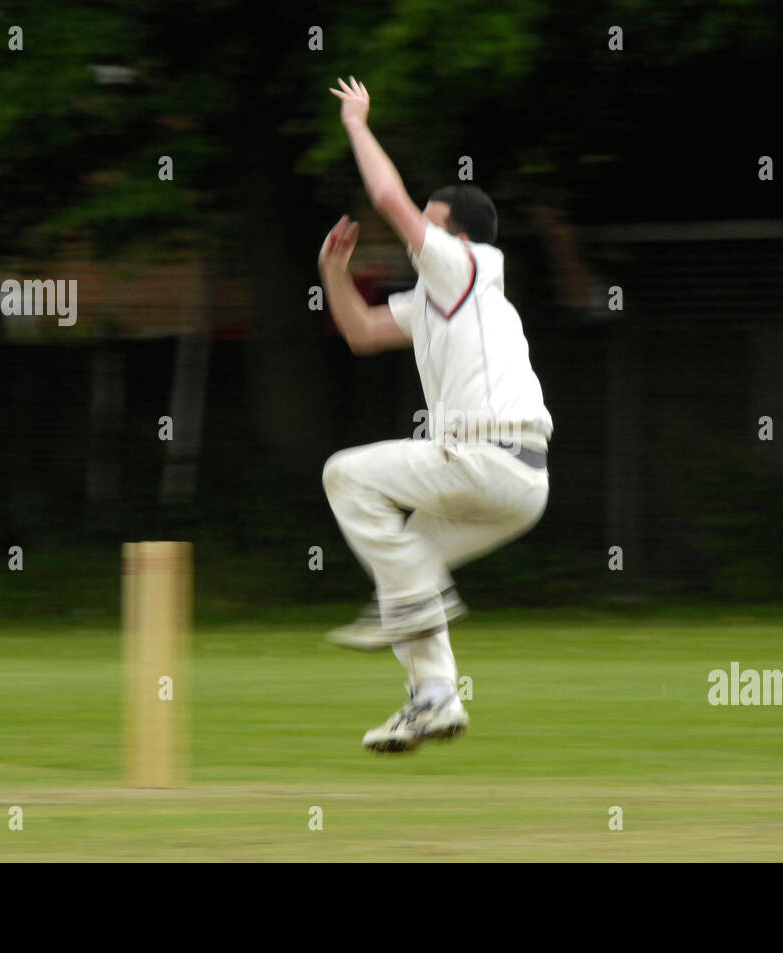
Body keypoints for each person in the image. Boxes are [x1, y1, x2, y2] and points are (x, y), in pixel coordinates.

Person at [318, 77, 553, 753]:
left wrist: (358, 124)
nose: (418, 225)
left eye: (430, 217)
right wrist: (333, 273)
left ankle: (415, 605)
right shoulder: (438, 297)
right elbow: (362, 331)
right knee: (406, 562)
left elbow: (389, 199)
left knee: (347, 476)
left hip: (487, 459)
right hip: (517, 482)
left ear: (457, 233)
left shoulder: (467, 266)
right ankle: (434, 697)